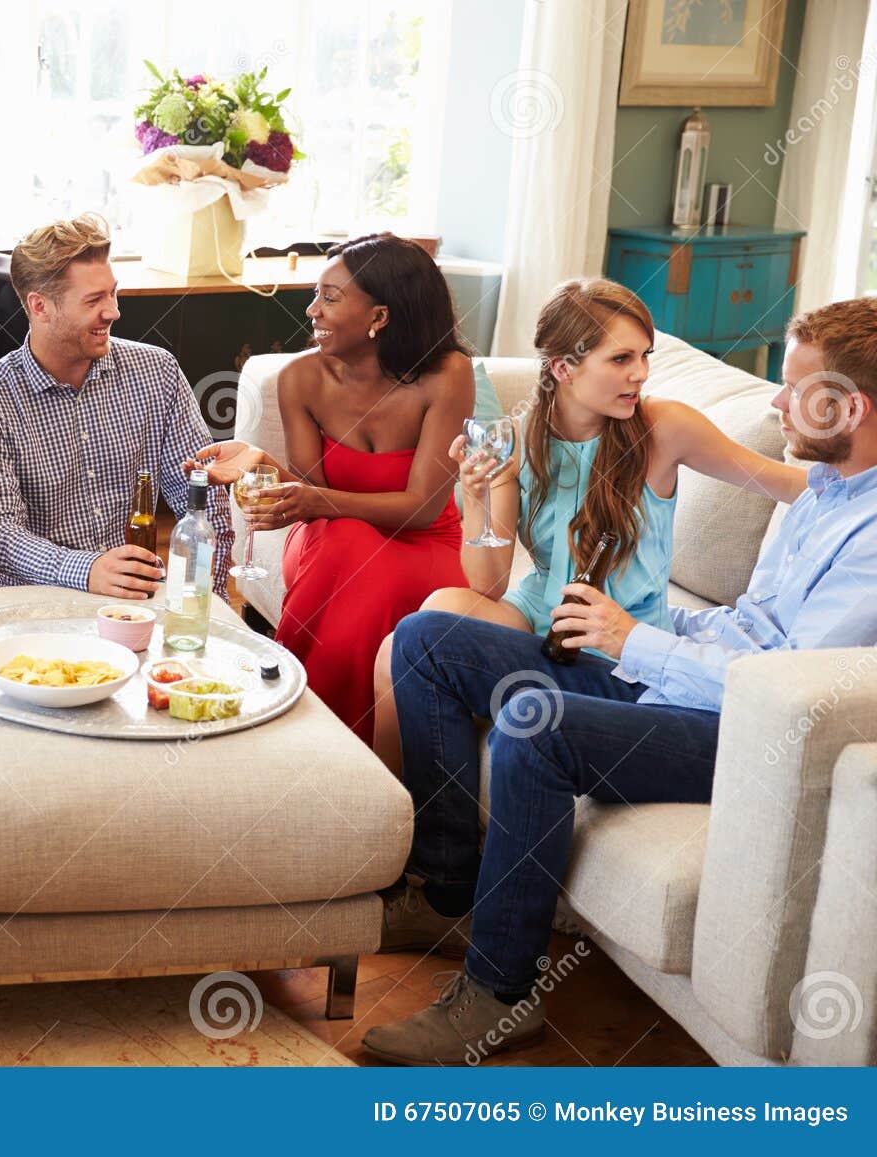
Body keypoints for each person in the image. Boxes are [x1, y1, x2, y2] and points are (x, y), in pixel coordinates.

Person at [360, 296, 877, 1065]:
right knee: (429, 639)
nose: (772, 402)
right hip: (675, 675)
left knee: (534, 723)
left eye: (792, 386)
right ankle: (449, 888)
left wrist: (637, 642)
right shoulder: (824, 494)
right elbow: (749, 619)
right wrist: (654, 632)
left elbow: (787, 684)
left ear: (851, 405)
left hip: (746, 732)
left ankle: (499, 995)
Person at [369, 279, 806, 773]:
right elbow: (487, 582)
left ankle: (432, 816)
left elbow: (792, 484)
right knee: (415, 633)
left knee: (425, 648)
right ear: (563, 368)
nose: (640, 374)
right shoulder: (517, 440)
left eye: (645, 356)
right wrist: (476, 496)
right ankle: (402, 813)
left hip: (616, 638)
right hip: (535, 615)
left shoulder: (663, 429)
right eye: (621, 359)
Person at [189, 234, 476, 742]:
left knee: (364, 560)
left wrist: (313, 499)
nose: (312, 309)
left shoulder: (446, 374)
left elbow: (423, 509)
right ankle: (334, 743)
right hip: (330, 535)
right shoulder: (300, 377)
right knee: (348, 543)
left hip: (424, 543)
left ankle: (301, 731)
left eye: (329, 297)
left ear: (380, 317)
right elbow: (312, 495)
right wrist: (263, 464)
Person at [0, 212, 234, 600]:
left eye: (112, 292)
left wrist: (206, 604)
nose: (114, 311)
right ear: (40, 306)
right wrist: (86, 571)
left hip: (136, 599)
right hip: (37, 608)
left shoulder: (158, 372)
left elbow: (203, 499)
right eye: (94, 300)